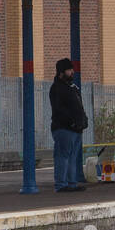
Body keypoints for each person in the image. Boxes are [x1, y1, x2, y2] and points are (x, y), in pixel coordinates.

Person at [50, 57, 88, 192]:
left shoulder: (71, 87)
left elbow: (78, 107)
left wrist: (83, 121)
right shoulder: (57, 88)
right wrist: (72, 121)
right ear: (61, 72)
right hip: (64, 128)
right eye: (69, 70)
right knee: (63, 156)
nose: (72, 72)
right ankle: (61, 184)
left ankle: (72, 183)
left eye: (72, 69)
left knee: (72, 157)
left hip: (76, 129)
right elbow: (59, 109)